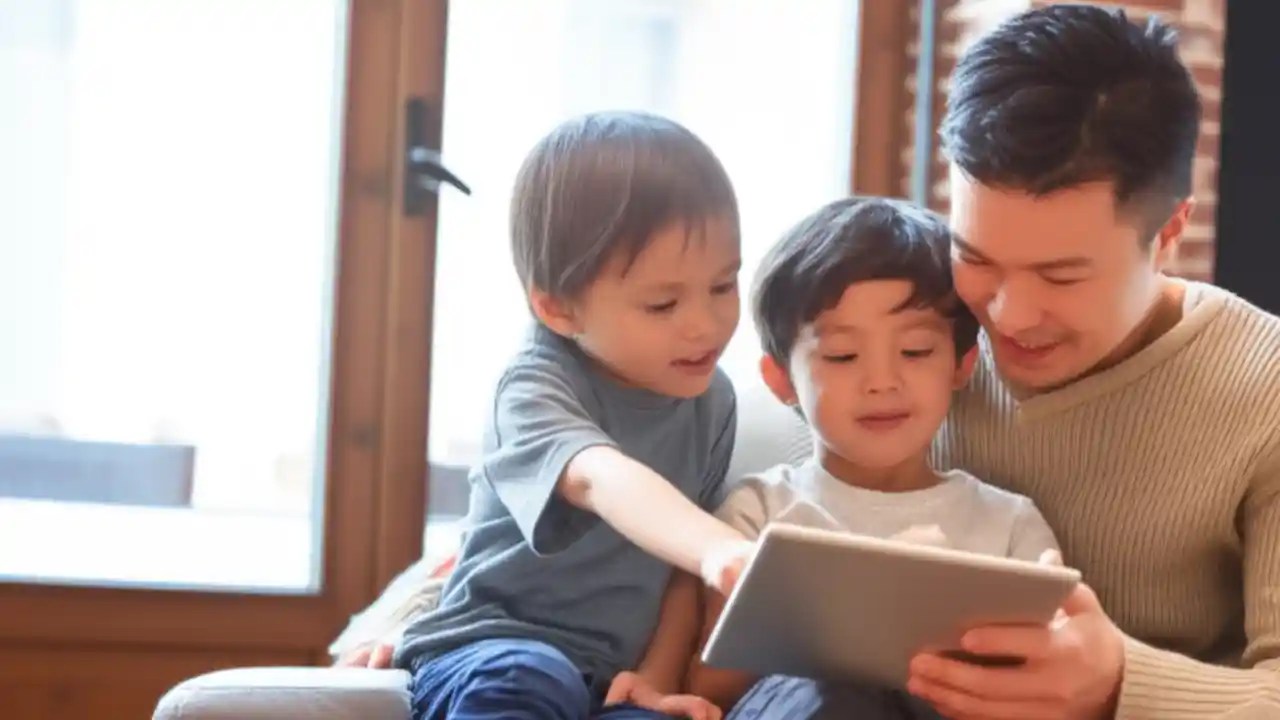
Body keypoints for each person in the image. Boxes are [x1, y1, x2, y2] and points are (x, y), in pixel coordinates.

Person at [903, 4, 1280, 719]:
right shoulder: (911, 328)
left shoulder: (1267, 389)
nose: (1006, 316)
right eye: (976, 257)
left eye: (1062, 276)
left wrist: (1117, 684)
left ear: (1169, 232)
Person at [394, 111, 753, 720]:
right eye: (663, 303)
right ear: (559, 309)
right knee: (527, 679)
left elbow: (675, 575)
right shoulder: (533, 387)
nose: (706, 324)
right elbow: (599, 478)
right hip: (493, 647)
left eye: (723, 286)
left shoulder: (711, 399)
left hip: (610, 674)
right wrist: (719, 548)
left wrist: (656, 682)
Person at [679, 196, 1063, 720]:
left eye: (915, 352)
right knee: (831, 693)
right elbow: (707, 685)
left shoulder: (1009, 525)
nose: (883, 382)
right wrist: (815, 623)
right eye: (842, 356)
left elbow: (1050, 688)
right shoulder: (758, 510)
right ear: (780, 380)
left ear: (961, 364)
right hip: (803, 708)